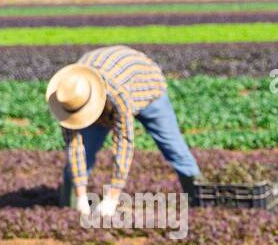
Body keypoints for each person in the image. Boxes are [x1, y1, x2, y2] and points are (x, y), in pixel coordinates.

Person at [45, 45, 203, 219]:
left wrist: (112, 196)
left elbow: (124, 143)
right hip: (103, 87)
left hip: (146, 90)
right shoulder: (67, 98)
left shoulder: (118, 93)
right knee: (85, 151)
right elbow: (75, 148)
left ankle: (200, 199)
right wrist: (82, 196)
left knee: (173, 147)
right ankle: (71, 207)